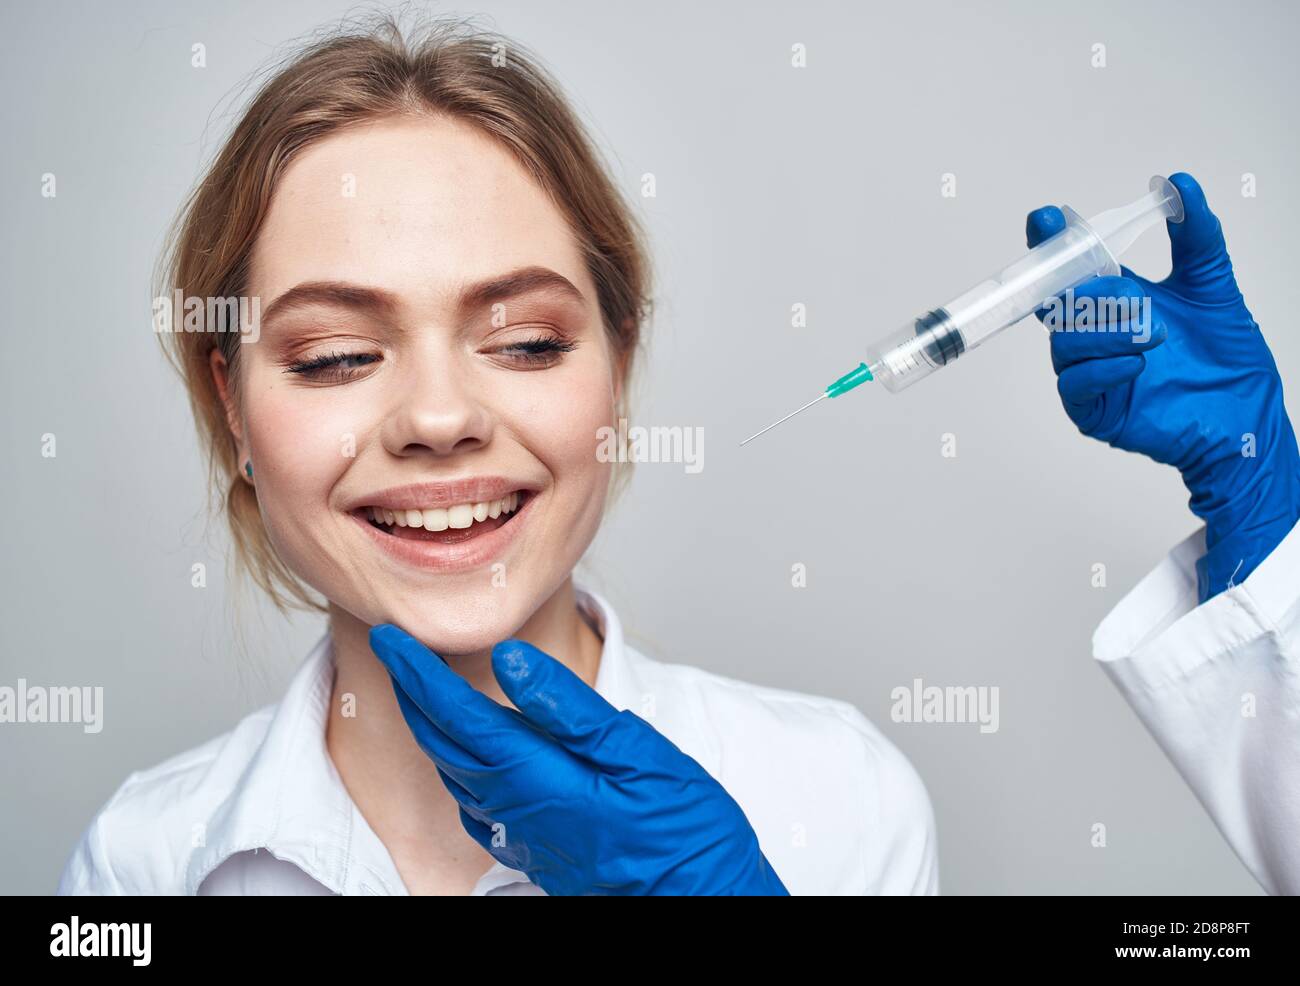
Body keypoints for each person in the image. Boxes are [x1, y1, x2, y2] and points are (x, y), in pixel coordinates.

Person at [55, 19, 936, 896]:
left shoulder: (839, 801)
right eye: (336, 355)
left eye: (526, 344)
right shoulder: (146, 863)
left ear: (617, 370)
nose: (439, 418)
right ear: (234, 411)